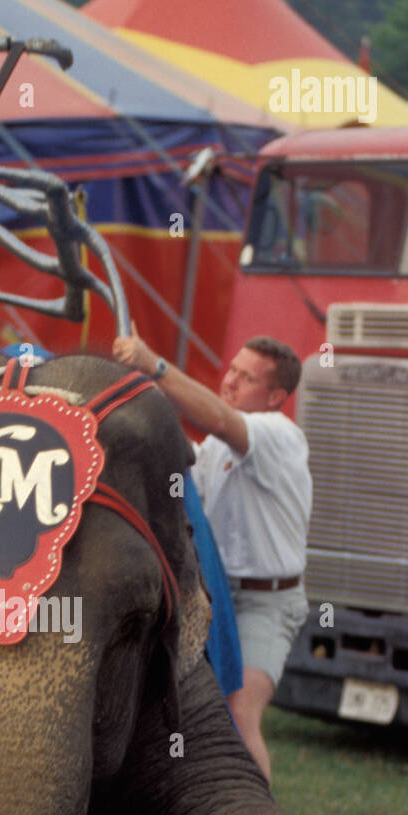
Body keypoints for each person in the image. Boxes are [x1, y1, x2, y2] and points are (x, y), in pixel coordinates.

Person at [112, 326, 311, 781]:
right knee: (195, 711)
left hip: (266, 602)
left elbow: (218, 417)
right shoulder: (214, 449)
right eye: (233, 370)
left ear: (277, 396)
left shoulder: (279, 435)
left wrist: (153, 365)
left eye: (247, 378)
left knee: (240, 714)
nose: (231, 380)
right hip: (216, 596)